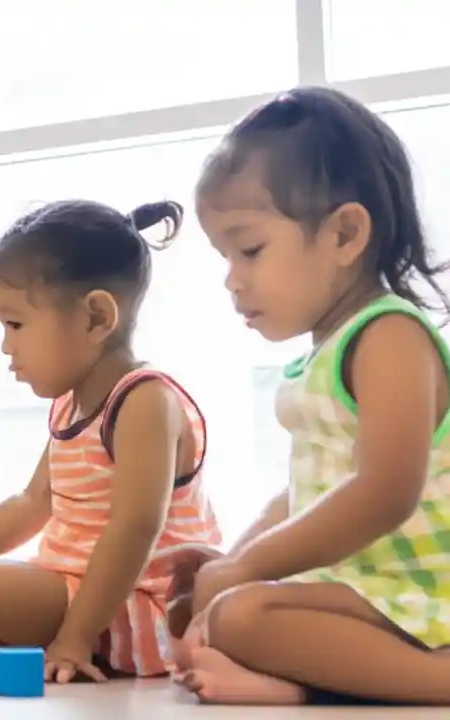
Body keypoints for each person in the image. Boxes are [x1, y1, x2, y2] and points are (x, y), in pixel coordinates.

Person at [173, 86, 450, 706]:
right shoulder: (324, 356)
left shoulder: (390, 336)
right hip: (370, 588)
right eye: (225, 256)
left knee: (240, 618)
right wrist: (235, 556)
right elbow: (303, 494)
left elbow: (384, 492)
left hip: (426, 590)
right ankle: (298, 688)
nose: (231, 280)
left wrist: (250, 571)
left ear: (345, 235)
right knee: (211, 624)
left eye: (250, 250)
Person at [0, 199, 223, 682]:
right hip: (84, 591)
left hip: (143, 603)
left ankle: (68, 645)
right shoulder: (71, 406)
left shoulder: (143, 401)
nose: (6, 347)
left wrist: (74, 635)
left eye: (15, 325)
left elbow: (135, 528)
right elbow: (34, 501)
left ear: (96, 318)